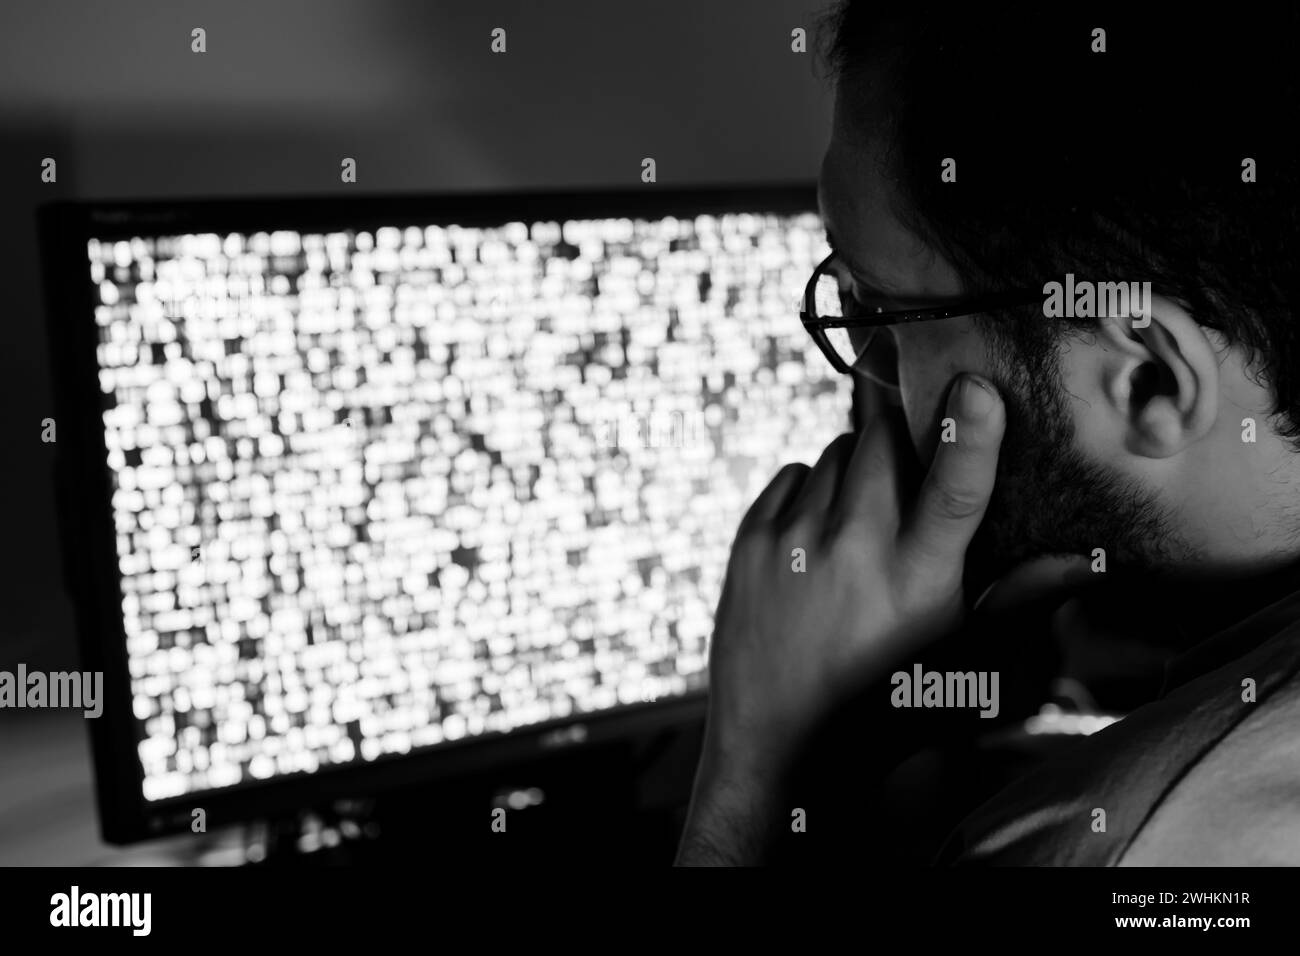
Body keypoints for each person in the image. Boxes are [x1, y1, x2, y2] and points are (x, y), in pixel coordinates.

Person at [676, 4, 1300, 865]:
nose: (867, 368)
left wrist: (762, 767)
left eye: (884, 306)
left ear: (1146, 376)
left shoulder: (1119, 841)